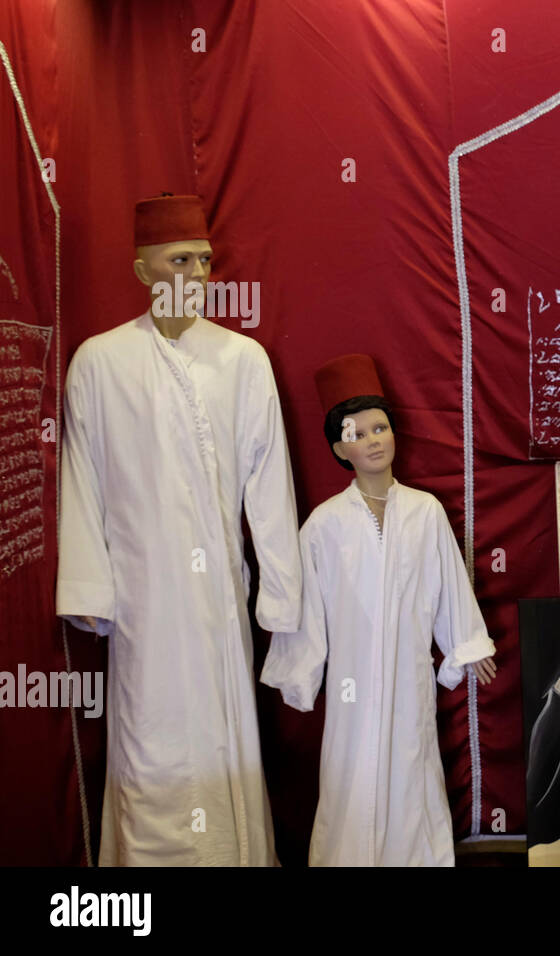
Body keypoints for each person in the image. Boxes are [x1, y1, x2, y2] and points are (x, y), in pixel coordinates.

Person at [56, 194, 302, 865]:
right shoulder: (100, 364)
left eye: (203, 260)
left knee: (223, 736)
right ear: (142, 271)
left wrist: (279, 597)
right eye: (179, 259)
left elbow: (269, 486)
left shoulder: (243, 360)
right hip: (143, 601)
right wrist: (92, 593)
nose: (195, 272)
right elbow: (83, 483)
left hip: (219, 599)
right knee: (148, 739)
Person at [260, 353, 498, 866]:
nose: (372, 440)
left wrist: (466, 642)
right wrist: (300, 671)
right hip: (351, 683)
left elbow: (448, 583)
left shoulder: (425, 512)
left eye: (380, 427)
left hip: (409, 678)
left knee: (412, 768)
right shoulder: (323, 526)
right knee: (350, 775)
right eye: (357, 432)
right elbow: (309, 609)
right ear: (339, 447)